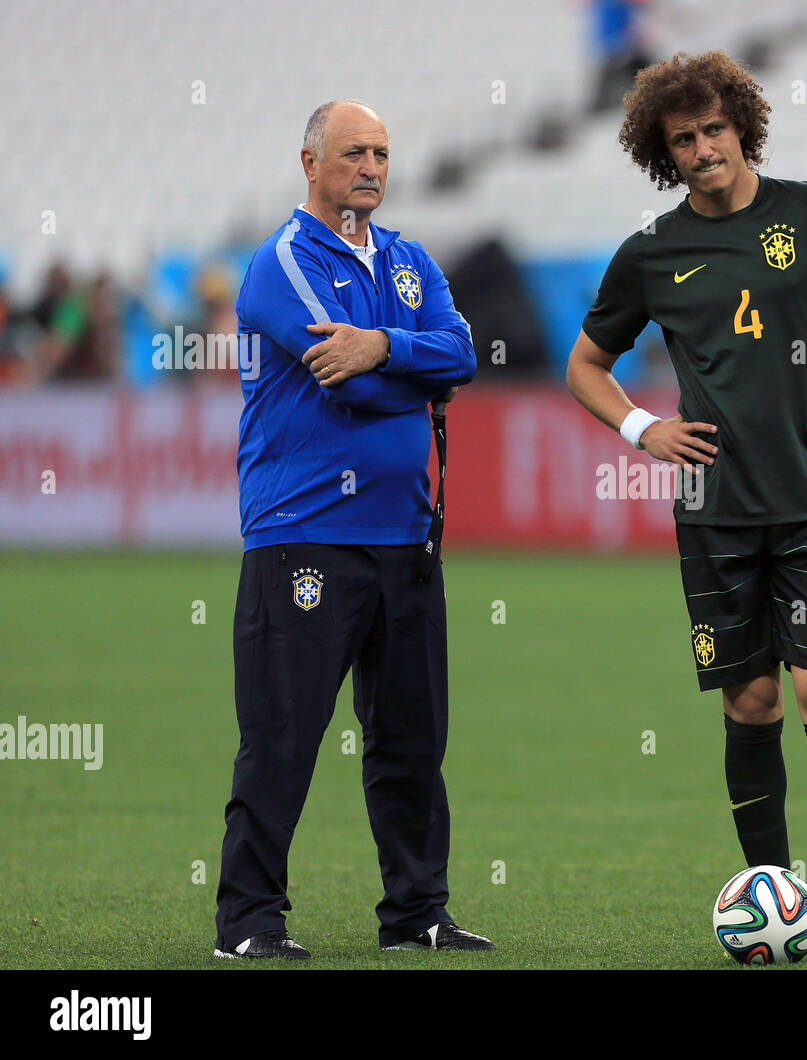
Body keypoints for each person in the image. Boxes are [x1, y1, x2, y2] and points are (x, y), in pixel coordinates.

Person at [566, 52, 807, 961]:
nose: (702, 149)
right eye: (682, 139)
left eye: (713, 130)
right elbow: (584, 365)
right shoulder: (649, 254)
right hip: (713, 508)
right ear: (665, 152)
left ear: (742, 126)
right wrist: (643, 428)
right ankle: (778, 897)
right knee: (753, 703)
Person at [214, 99, 490, 959]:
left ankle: (417, 913)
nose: (370, 167)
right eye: (352, 152)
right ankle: (249, 921)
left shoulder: (409, 260)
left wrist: (382, 346)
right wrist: (401, 360)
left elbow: (465, 354)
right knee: (283, 736)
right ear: (310, 163)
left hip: (407, 538)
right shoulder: (283, 262)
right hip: (305, 535)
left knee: (412, 739)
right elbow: (351, 385)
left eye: (380, 152)